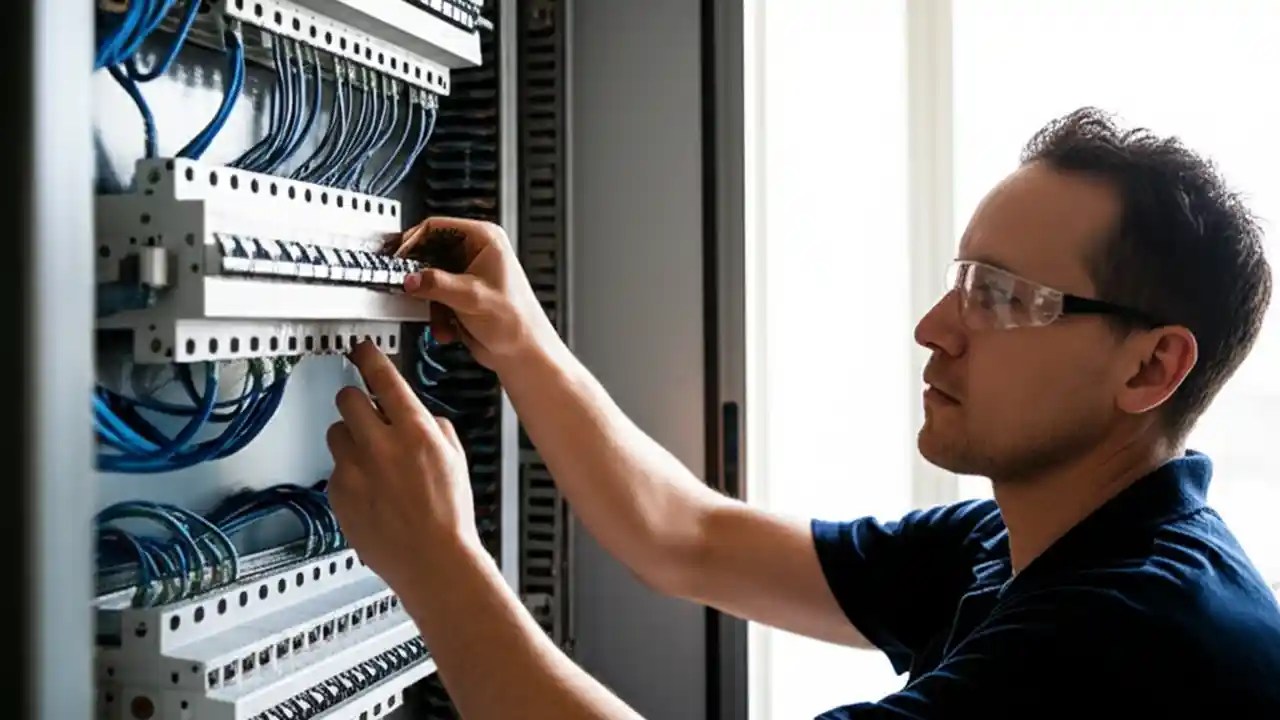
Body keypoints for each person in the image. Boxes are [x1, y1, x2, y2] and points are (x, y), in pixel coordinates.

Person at [324, 107, 1280, 718]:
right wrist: (524, 341)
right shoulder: (1024, 542)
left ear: (1152, 367)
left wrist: (438, 563)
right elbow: (688, 538)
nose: (934, 328)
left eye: (1001, 296)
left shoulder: (1136, 635)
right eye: (962, 281)